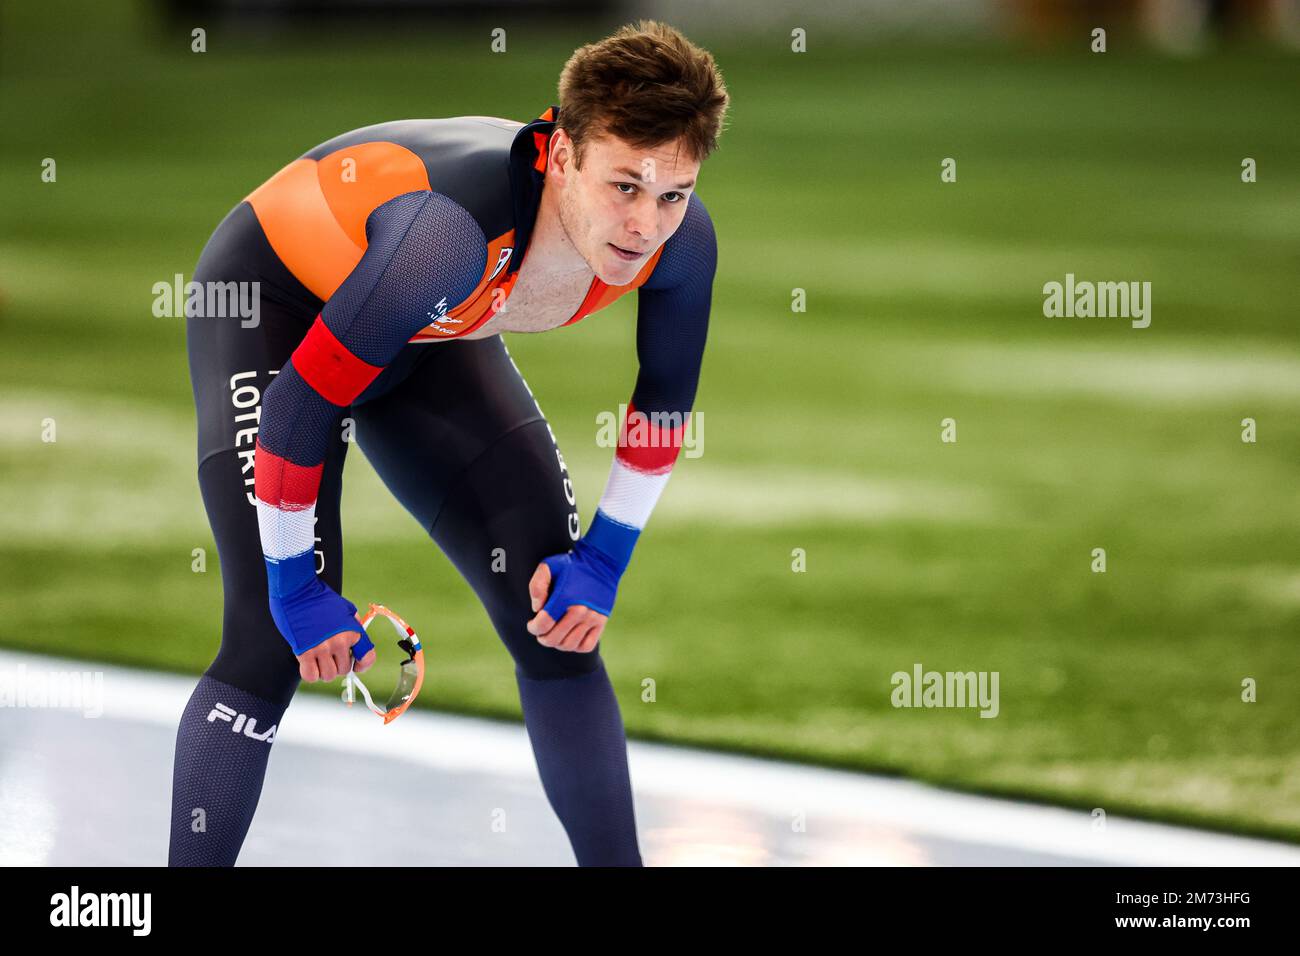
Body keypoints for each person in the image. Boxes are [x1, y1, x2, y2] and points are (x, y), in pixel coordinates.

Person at [169, 19, 729, 866]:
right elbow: (293, 412)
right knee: (266, 640)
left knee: (558, 619)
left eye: (672, 194)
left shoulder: (680, 243)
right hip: (276, 306)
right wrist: (295, 583)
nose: (645, 226)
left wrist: (605, 558)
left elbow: (663, 403)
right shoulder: (444, 239)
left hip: (427, 329)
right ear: (561, 154)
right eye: (624, 187)